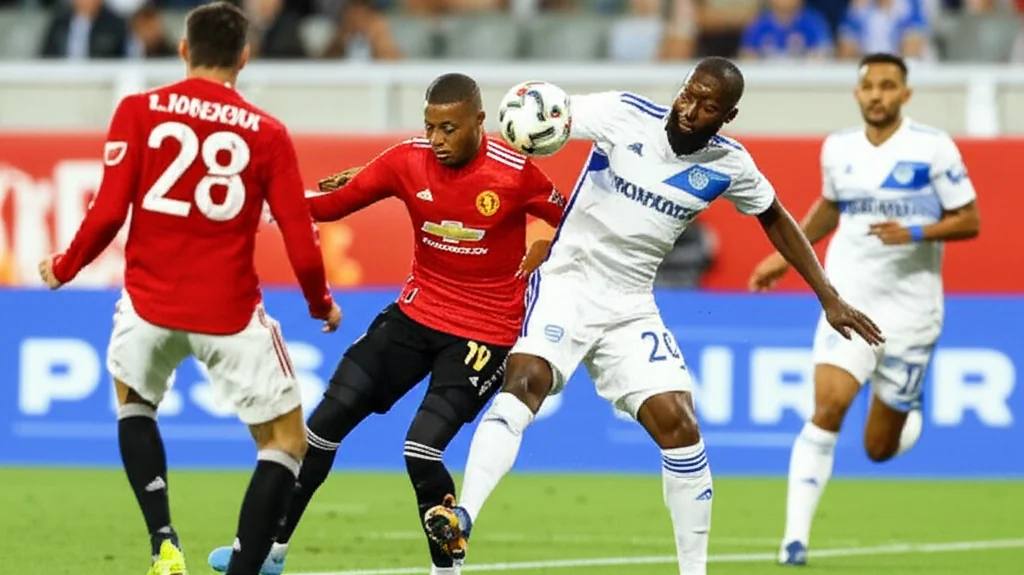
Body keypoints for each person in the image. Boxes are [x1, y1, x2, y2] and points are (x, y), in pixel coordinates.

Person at [421, 57, 885, 575]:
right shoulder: (623, 115)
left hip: (631, 303)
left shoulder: (729, 164)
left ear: (727, 116)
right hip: (568, 281)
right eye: (689, 94)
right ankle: (464, 515)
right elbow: (554, 112)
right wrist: (531, 116)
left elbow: (775, 217)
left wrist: (829, 295)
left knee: (680, 424)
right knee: (526, 377)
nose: (690, 110)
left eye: (708, 106)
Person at [207, 72, 566, 575]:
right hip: (415, 314)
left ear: (480, 122)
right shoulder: (407, 160)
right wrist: (261, 204)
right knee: (323, 425)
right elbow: (334, 203)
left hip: (483, 334)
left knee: (420, 450)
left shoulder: (516, 173)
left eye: (449, 128)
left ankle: (447, 569)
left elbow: (569, 216)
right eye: (430, 127)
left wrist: (551, 240)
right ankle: (271, 552)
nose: (437, 140)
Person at [35, 3, 342, 575]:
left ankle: (163, 543)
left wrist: (65, 266)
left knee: (134, 399)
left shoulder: (138, 110)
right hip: (228, 312)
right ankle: (246, 567)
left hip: (149, 307)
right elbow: (300, 235)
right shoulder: (268, 133)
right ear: (244, 58)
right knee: (287, 441)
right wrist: (320, 303)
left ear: (183, 50)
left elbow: (106, 213)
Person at [748, 52, 980, 567]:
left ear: (905, 94)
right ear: (857, 93)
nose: (877, 94)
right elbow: (830, 205)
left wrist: (916, 231)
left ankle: (906, 411)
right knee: (827, 409)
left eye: (888, 85)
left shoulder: (933, 148)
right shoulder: (838, 149)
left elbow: (970, 220)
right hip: (849, 301)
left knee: (878, 448)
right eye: (869, 86)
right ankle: (793, 542)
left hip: (913, 315)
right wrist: (785, 256)